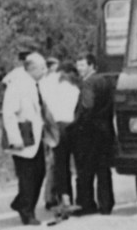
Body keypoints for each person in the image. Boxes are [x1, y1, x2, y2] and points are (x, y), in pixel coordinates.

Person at [3, 51, 48, 225]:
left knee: (39, 173)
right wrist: (15, 138)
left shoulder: (36, 84)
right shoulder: (17, 85)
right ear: (32, 68)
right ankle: (27, 211)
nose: (44, 71)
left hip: (36, 136)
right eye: (41, 68)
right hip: (23, 135)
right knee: (27, 175)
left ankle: (21, 202)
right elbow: (9, 113)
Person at [73, 53, 116, 216]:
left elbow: (87, 106)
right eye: (78, 65)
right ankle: (106, 204)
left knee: (85, 169)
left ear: (91, 66)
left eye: (82, 65)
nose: (79, 68)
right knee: (103, 169)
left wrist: (79, 124)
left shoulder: (88, 83)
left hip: (89, 131)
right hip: (105, 129)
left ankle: (86, 203)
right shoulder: (105, 81)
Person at [39, 59, 81, 218]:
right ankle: (74, 199)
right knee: (74, 164)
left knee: (59, 165)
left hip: (55, 126)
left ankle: (63, 198)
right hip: (72, 126)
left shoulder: (49, 85)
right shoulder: (74, 88)